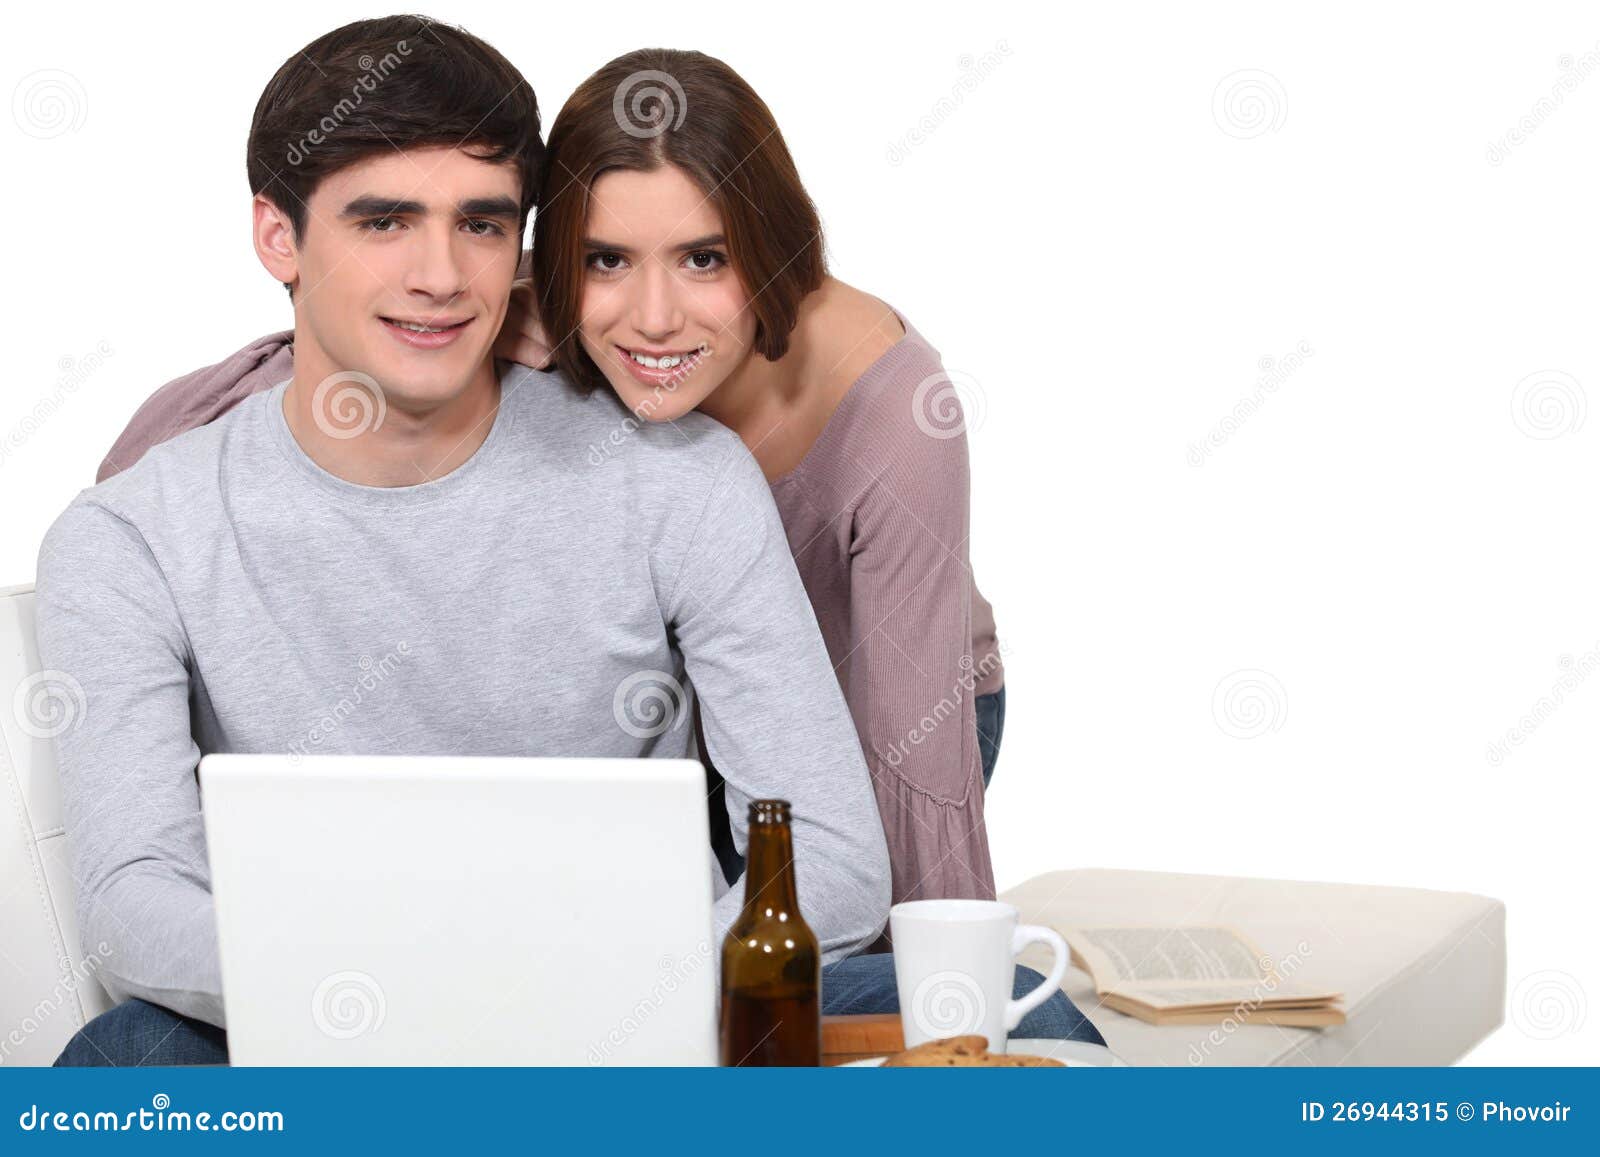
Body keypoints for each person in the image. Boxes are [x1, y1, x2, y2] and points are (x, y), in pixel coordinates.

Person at [44, 18, 1101, 1066]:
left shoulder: (678, 477)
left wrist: (596, 994)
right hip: (324, 1017)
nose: (442, 275)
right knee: (127, 1056)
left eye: (483, 224)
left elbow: (827, 856)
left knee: (1022, 1013)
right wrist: (405, 986)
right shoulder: (128, 537)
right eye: (384, 223)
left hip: (654, 1017)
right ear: (278, 236)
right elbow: (132, 898)